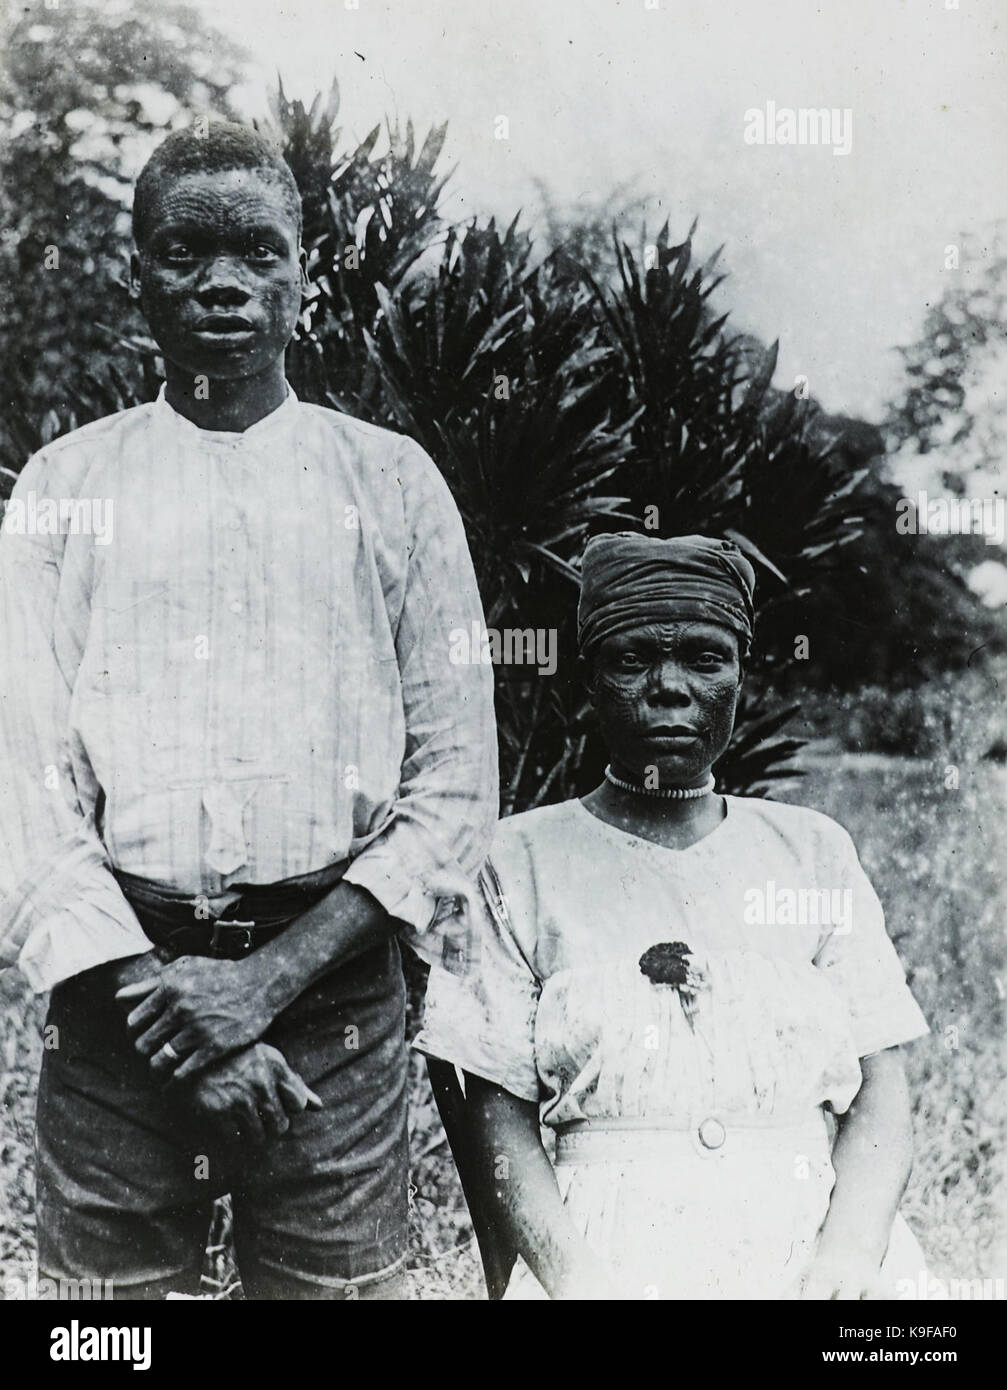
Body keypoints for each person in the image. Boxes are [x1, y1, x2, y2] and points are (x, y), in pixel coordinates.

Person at [0, 121, 497, 1300]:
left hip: (331, 998)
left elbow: (456, 784)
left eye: (257, 252)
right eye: (186, 252)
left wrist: (261, 985)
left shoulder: (389, 485)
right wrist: (157, 997)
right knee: (105, 1330)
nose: (223, 283)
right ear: (139, 277)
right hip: (119, 999)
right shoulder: (68, 489)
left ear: (304, 277)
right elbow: (17, 782)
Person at [416, 532, 929, 1300]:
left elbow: (882, 1093)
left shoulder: (811, 851)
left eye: (703, 657)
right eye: (630, 660)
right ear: (589, 681)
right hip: (605, 1254)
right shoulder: (517, 861)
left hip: (811, 1245)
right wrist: (578, 1282)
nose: (668, 687)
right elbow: (497, 1116)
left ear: (738, 676)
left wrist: (850, 1256)